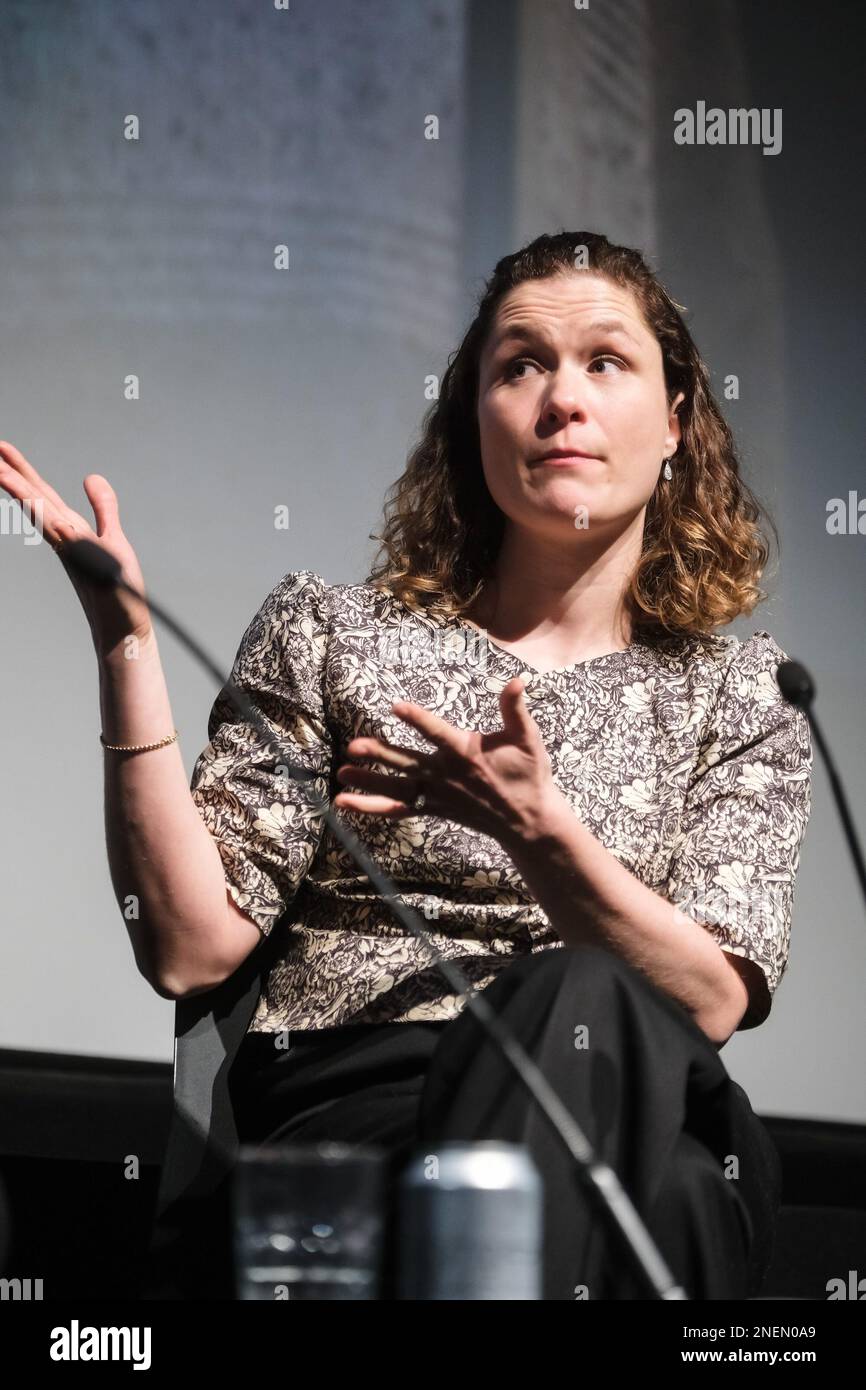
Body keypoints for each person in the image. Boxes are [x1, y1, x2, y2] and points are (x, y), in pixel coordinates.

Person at [0, 230, 813, 1301]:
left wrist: (542, 839)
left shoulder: (744, 693)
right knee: (665, 1202)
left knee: (590, 1015)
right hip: (374, 1106)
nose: (559, 396)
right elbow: (191, 951)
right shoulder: (332, 633)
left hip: (645, 1100)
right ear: (471, 418)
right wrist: (125, 645)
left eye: (604, 361)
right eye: (518, 363)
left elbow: (707, 999)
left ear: (672, 424)